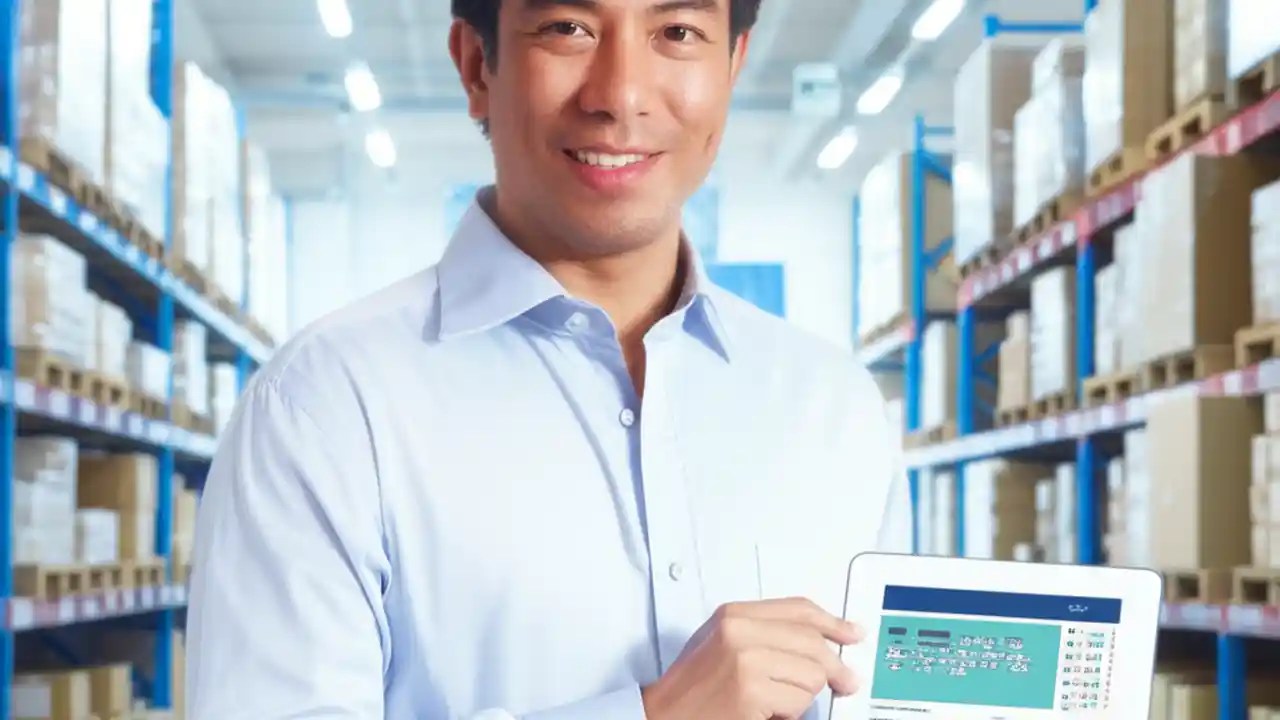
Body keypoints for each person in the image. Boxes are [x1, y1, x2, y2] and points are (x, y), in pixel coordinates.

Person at [185, 0, 911, 718]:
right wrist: (654, 716)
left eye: (678, 33)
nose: (621, 96)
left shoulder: (836, 408)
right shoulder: (324, 406)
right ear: (477, 65)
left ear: (733, 65)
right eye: (569, 28)